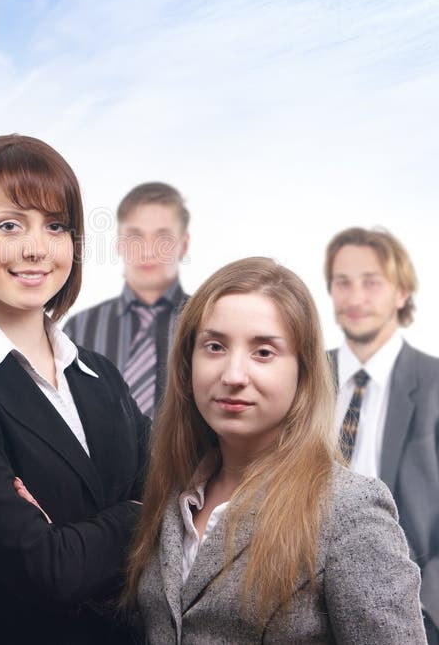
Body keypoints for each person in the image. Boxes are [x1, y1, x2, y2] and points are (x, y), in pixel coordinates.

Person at [0, 134, 150, 645]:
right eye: (9, 225)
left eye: (56, 226)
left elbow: (178, 480)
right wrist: (142, 514)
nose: (36, 248)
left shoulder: (99, 373)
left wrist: (73, 535)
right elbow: (50, 572)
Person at [127, 257, 426, 644]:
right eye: (214, 346)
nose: (233, 375)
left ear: (303, 373)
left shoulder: (349, 509)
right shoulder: (169, 495)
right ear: (188, 364)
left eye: (263, 352)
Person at [325, 226, 439, 642]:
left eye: (371, 283)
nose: (355, 298)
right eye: (343, 283)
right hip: (298, 601)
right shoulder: (302, 376)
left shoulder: (434, 383)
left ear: (401, 293)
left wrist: (430, 607)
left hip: (412, 611)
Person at [64, 182, 190, 417]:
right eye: (135, 236)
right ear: (119, 244)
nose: (148, 251)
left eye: (163, 238)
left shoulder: (207, 323)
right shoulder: (79, 329)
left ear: (183, 245)